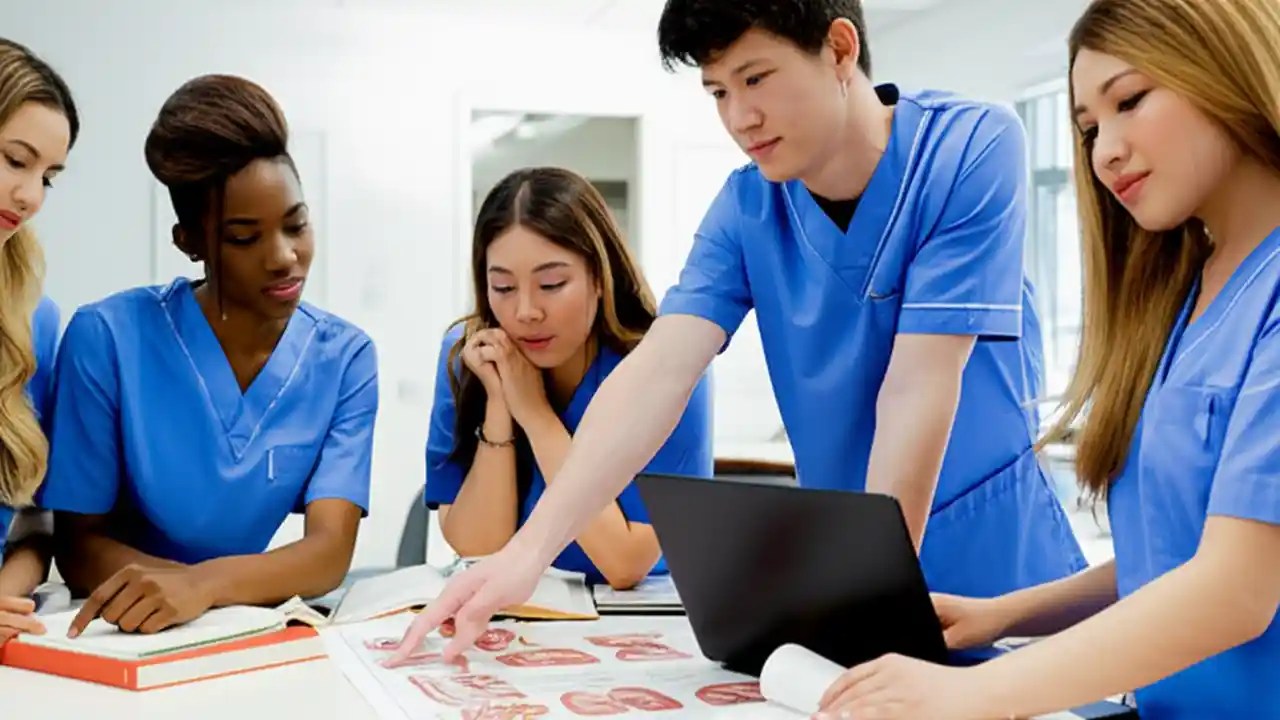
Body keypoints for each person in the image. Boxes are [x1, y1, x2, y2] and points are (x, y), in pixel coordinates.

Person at [393, 0, 1083, 659]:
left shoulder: (969, 147)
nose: (739, 117)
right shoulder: (748, 206)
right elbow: (659, 371)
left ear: (839, 49)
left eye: (756, 79)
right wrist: (526, 554)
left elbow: (917, 385)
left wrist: (871, 598)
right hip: (855, 569)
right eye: (718, 91)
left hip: (997, 575)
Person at [812, 0, 1280, 717]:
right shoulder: (1187, 298)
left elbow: (1238, 589)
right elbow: (1174, 552)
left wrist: (973, 693)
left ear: (1226, 68)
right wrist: (1006, 615)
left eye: (1130, 100)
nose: (1105, 152)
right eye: (1089, 129)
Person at [40, 74, 378, 637]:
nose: (283, 256)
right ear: (190, 242)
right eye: (244, 238)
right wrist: (192, 593)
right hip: (120, 627)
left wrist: (203, 590)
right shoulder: (107, 338)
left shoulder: (345, 358)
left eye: (296, 224)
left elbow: (327, 552)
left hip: (239, 624)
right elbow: (77, 544)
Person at [425, 167, 713, 590]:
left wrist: (534, 412)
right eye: (503, 288)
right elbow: (480, 548)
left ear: (599, 277)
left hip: (640, 611)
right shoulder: (467, 358)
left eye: (551, 284)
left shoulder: (667, 360)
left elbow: (624, 564)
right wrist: (499, 403)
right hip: (522, 608)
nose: (526, 311)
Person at [0, 38, 77, 643]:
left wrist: (4, 595)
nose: (30, 197)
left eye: (48, 177)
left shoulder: (34, 324)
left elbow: (36, 521)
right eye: (14, 160)